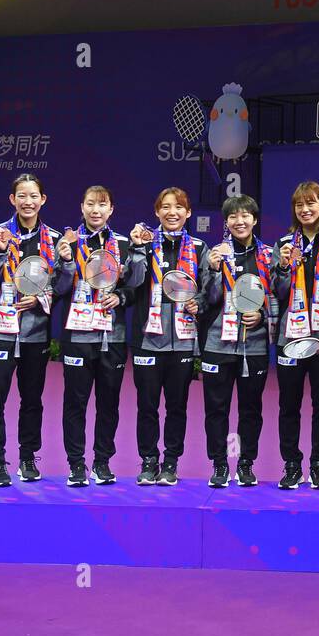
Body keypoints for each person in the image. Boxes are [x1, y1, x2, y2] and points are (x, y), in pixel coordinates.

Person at [54, 185, 147, 486]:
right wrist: (67, 261)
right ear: (81, 207)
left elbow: (135, 284)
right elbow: (58, 288)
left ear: (111, 210)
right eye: (91, 204)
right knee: (75, 402)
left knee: (108, 403)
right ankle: (76, 464)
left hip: (113, 336)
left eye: (102, 204)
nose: (96, 210)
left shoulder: (121, 243)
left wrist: (121, 295)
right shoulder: (68, 242)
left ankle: (102, 462)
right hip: (77, 336)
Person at [0, 173, 63, 486]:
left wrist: (41, 295)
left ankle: (28, 456)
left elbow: (62, 285)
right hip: (0, 329)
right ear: (12, 200)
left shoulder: (52, 240)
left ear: (43, 200)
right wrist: (0, 252)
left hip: (35, 333)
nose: (28, 202)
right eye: (21, 196)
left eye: (33, 196)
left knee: (32, 399)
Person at [271, 182, 319, 490]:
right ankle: (291, 465)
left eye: (311, 203)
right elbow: (276, 293)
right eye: (299, 205)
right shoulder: (284, 245)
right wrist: (284, 267)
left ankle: (318, 466)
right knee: (288, 405)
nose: (305, 209)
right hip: (291, 338)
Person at [127, 188, 207, 486]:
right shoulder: (144, 245)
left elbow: (210, 291)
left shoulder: (199, 249)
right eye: (165, 207)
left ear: (188, 213)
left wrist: (199, 300)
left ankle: (171, 461)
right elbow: (133, 282)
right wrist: (136, 250)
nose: (172, 212)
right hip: (148, 339)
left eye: (179, 207)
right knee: (146, 405)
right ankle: (148, 460)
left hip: (183, 340)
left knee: (177, 405)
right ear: (157, 212)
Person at [200, 194, 273, 488]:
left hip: (253, 346)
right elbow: (207, 300)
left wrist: (263, 316)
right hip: (218, 345)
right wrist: (215, 271)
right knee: (216, 408)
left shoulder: (268, 255)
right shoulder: (215, 255)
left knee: (250, 408)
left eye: (245, 216)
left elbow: (280, 297)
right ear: (226, 222)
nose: (239, 221)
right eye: (232, 217)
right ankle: (220, 464)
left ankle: (244, 463)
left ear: (254, 220)